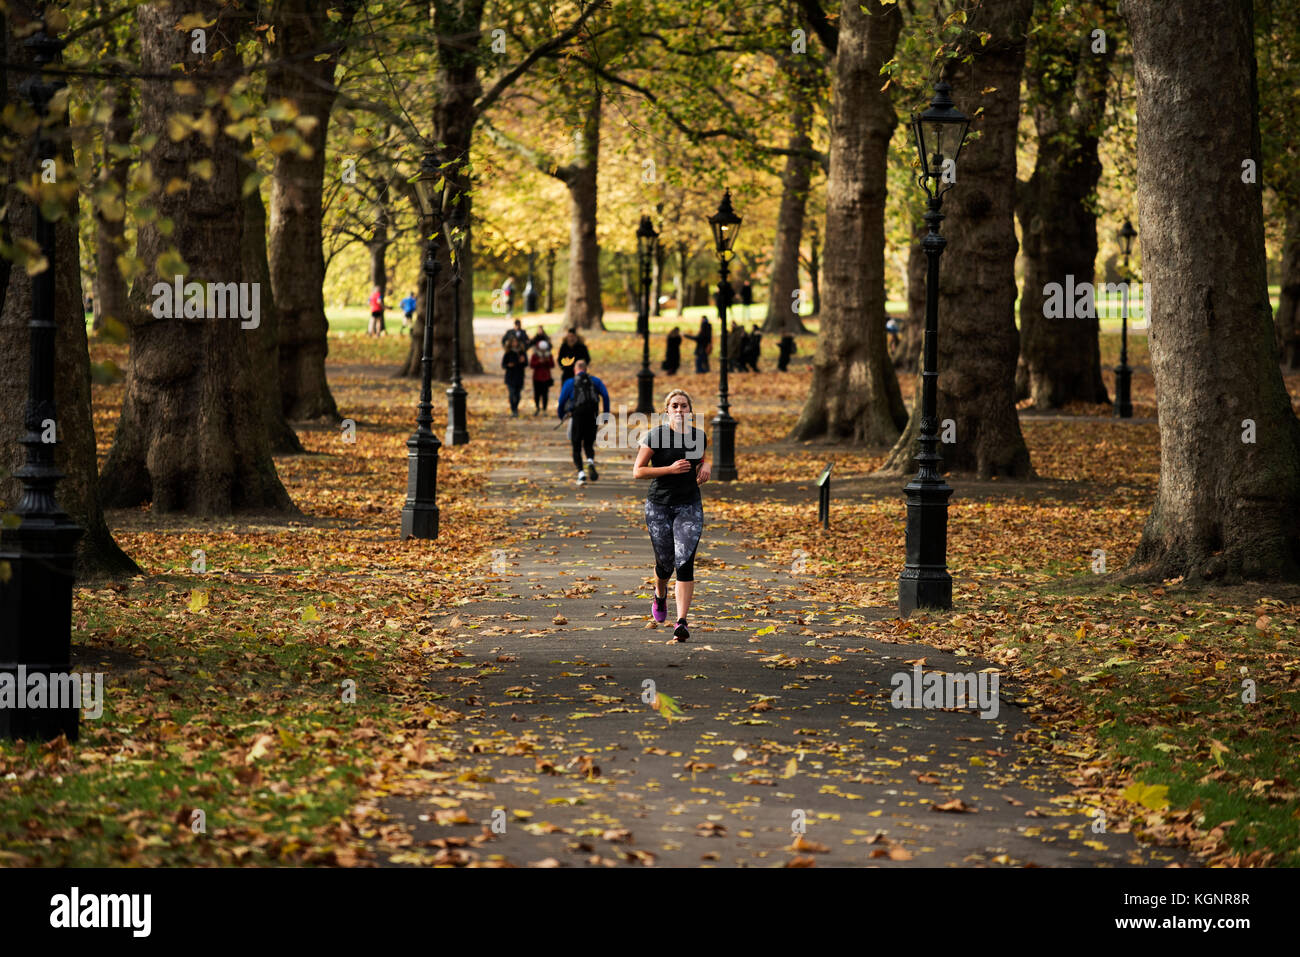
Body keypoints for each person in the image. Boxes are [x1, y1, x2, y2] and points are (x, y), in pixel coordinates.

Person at [633, 389, 710, 643]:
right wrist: (670, 469)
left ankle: (682, 622)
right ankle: (660, 591)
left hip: (689, 506)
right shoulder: (655, 436)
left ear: (690, 410)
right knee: (665, 563)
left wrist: (706, 464)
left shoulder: (699, 436)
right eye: (674, 406)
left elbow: (700, 459)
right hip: (660, 506)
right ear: (667, 410)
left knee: (684, 561)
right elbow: (638, 471)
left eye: (684, 406)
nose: (679, 410)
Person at [557, 358, 610, 487]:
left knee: (576, 446)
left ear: (575, 370)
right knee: (588, 444)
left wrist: (562, 415)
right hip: (592, 416)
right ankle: (590, 461)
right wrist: (606, 414)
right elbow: (606, 396)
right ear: (586, 369)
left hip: (577, 417)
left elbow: (562, 401)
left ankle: (581, 474)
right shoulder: (595, 381)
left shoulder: (570, 382)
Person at [502, 338, 527, 417]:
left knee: (518, 395)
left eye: (516, 342)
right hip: (510, 377)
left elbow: (526, 363)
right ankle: (513, 409)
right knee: (512, 394)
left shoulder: (522, 352)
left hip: (519, 376)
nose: (515, 343)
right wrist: (508, 365)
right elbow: (503, 364)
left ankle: (515, 408)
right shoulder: (508, 353)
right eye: (513, 342)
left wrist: (523, 361)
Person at [530, 339, 555, 415]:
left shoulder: (549, 355)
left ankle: (544, 409)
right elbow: (531, 365)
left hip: (546, 377)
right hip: (537, 377)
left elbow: (552, 365)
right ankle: (537, 408)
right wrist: (538, 362)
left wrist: (547, 361)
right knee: (537, 394)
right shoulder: (535, 355)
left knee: (545, 394)